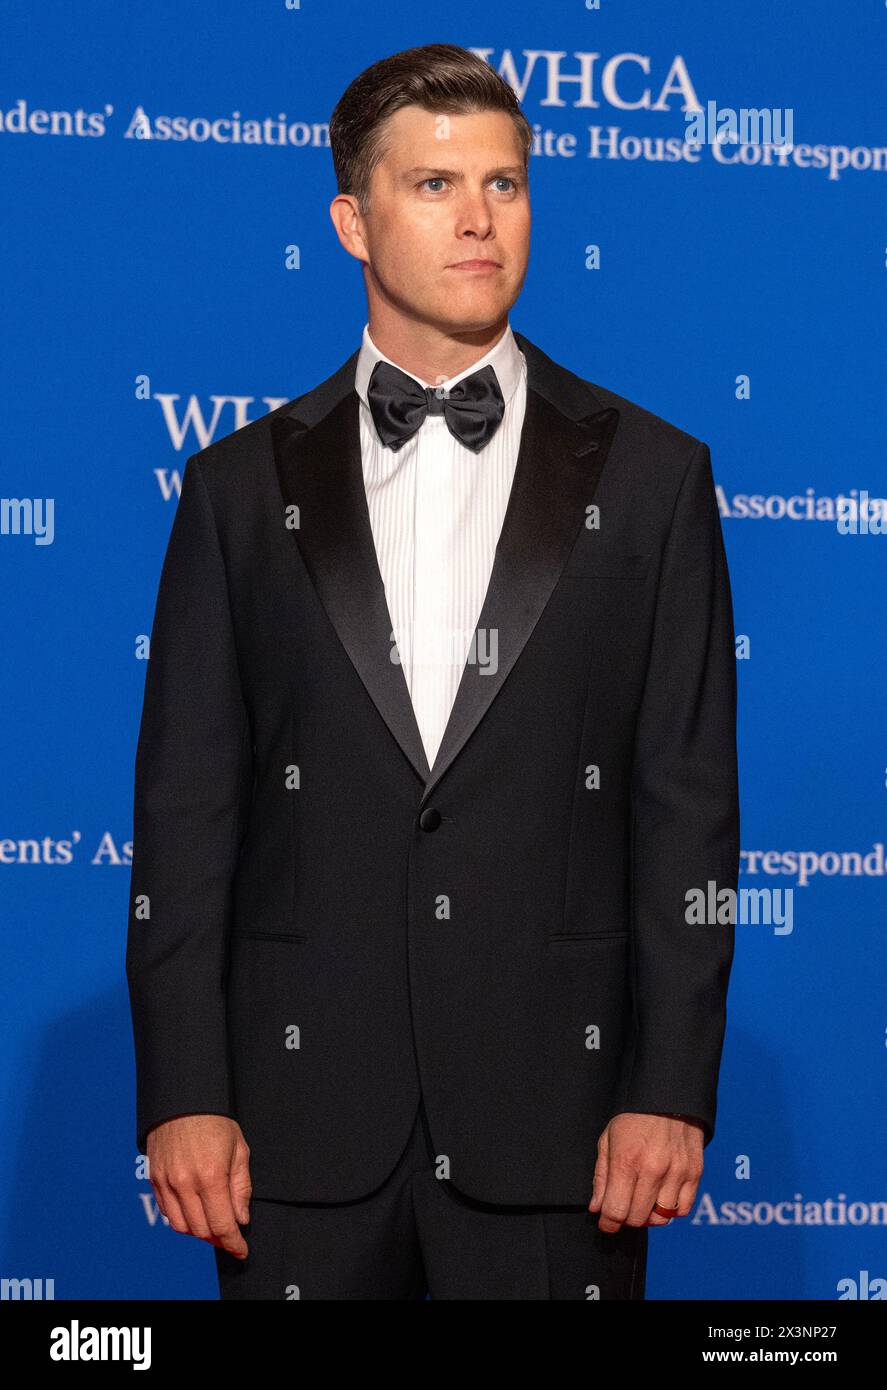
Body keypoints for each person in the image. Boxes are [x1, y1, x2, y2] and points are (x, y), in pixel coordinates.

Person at [126, 42, 739, 1301]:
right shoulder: (237, 491)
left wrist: (667, 1091)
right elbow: (186, 814)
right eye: (434, 187)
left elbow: (685, 810)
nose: (478, 219)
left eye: (505, 186)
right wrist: (184, 1091)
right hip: (293, 1135)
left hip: (562, 1133)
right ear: (351, 220)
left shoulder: (653, 478)